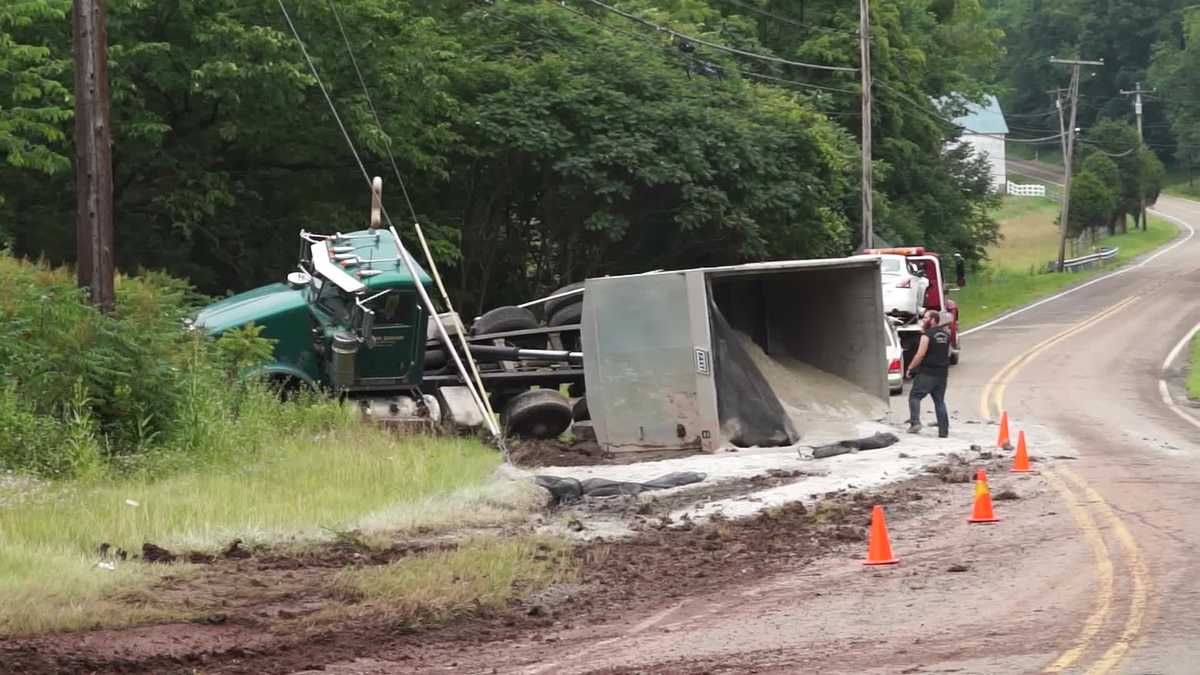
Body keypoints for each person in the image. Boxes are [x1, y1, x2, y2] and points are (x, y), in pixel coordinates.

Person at [906, 309, 951, 437]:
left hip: (927, 372)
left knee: (915, 396)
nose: (923, 320)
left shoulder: (927, 335)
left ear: (933, 320)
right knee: (939, 401)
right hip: (942, 374)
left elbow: (920, 354)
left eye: (926, 318)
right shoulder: (946, 335)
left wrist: (910, 368)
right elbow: (947, 353)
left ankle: (915, 423)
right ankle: (943, 431)